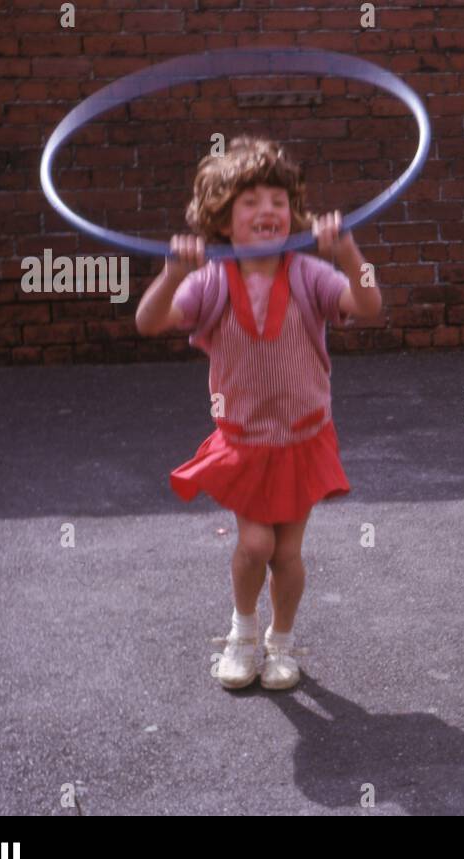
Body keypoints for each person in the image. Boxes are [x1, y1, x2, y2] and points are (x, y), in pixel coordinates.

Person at [135, 136, 381, 691]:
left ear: (292, 211)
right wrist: (173, 272)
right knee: (256, 544)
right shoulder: (209, 282)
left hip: (302, 437)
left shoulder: (309, 274)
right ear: (221, 221)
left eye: (276, 198)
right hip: (244, 440)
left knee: (288, 553)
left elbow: (369, 305)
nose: (267, 209)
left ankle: (281, 643)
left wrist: (348, 253)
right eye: (249, 201)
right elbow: (149, 323)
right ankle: (242, 632)